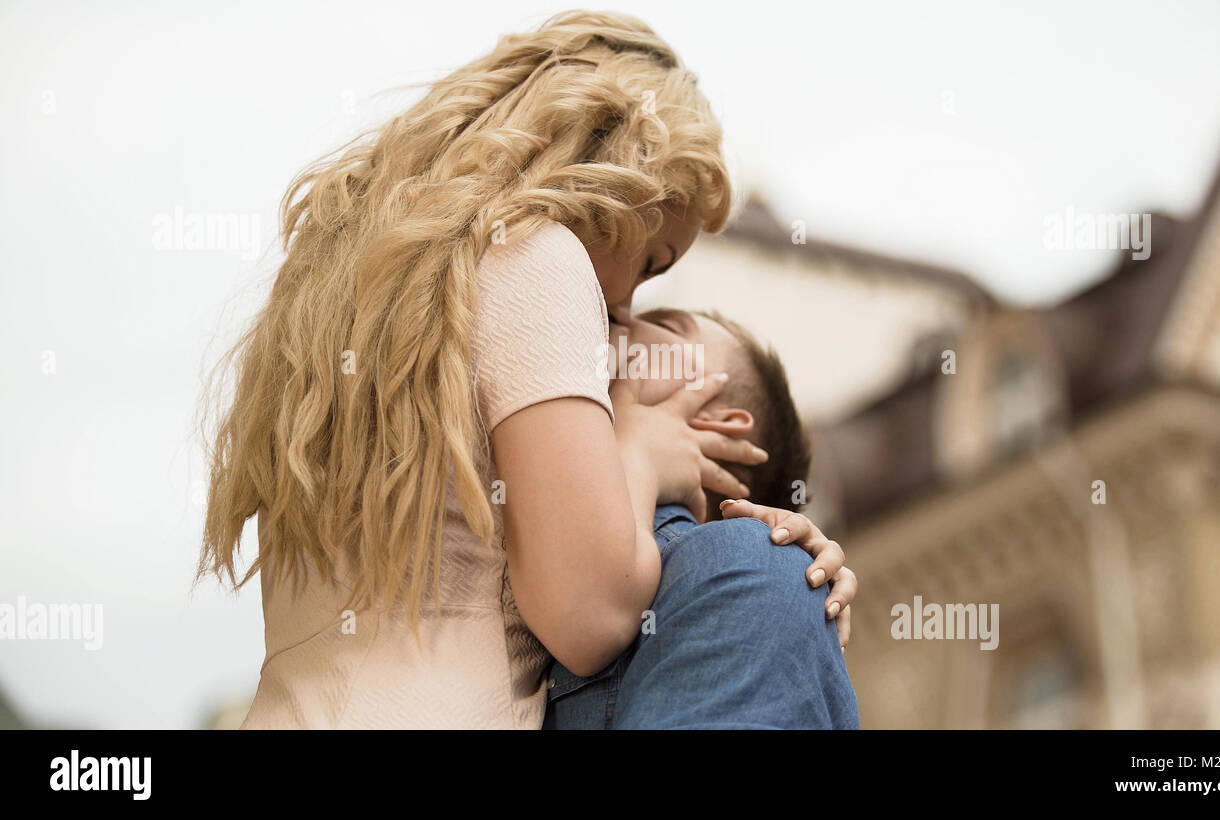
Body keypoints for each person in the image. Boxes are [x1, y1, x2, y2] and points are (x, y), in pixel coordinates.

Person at [199, 10, 855, 729]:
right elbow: (586, 612)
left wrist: (766, 549)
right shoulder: (537, 257)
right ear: (622, 187)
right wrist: (638, 456)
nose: (622, 311)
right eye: (648, 262)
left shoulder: (348, 303)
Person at [545, 309, 859, 729]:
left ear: (718, 426)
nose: (617, 311)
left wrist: (633, 454)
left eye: (668, 326)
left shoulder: (752, 570)